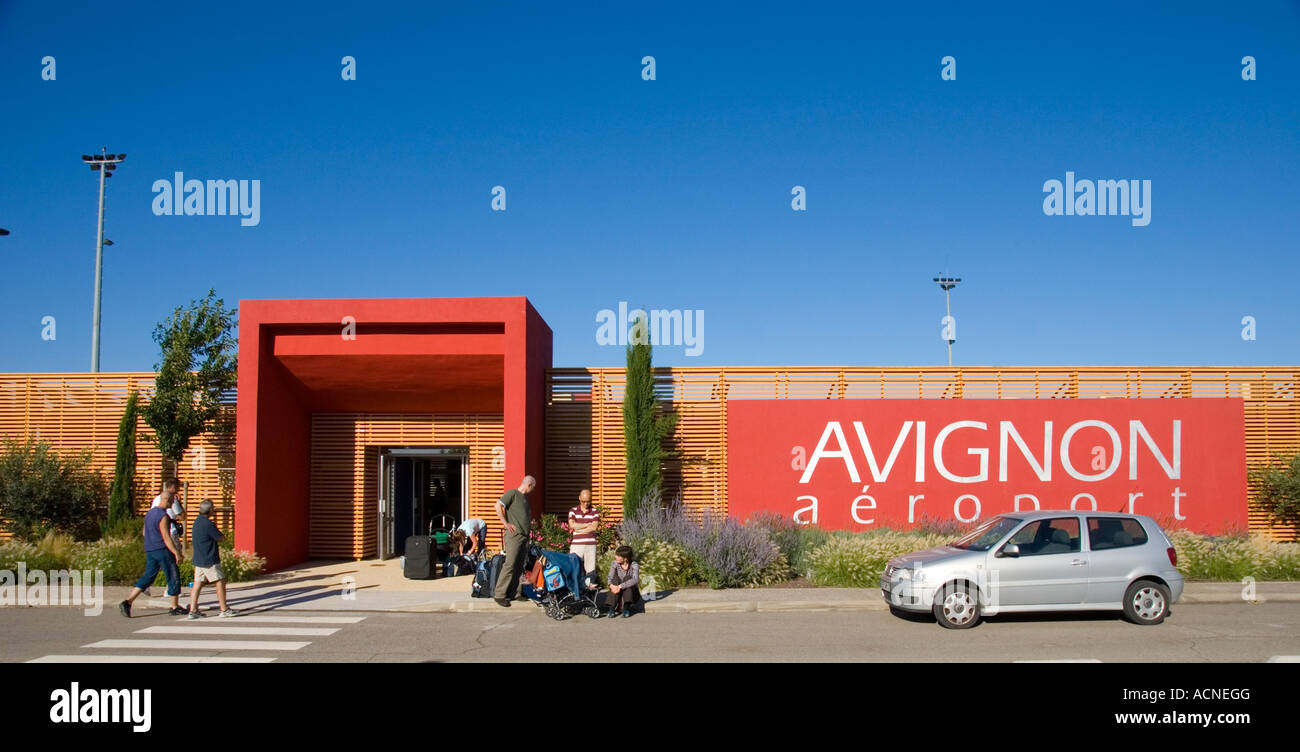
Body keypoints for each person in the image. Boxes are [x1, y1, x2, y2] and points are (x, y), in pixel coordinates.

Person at [119, 481, 186, 617]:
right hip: (162, 549)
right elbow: (166, 537)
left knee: (148, 576)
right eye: (173, 501)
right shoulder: (163, 516)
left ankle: (128, 601)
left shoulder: (149, 514)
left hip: (150, 549)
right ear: (168, 501)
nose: (173, 503)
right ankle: (174, 606)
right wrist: (176, 553)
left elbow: (144, 532)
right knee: (173, 575)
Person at [187, 500, 237, 618]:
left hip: (199, 558)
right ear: (210, 510)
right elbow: (220, 537)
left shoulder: (197, 522)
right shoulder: (208, 524)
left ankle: (193, 610)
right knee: (220, 581)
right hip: (209, 558)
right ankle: (224, 609)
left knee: (198, 583)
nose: (214, 510)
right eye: (213, 508)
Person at [492, 475, 535, 607]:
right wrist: (506, 523)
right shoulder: (513, 494)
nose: (533, 490)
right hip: (514, 535)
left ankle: (516, 593)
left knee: (520, 565)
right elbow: (497, 506)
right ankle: (499, 594)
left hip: (524, 536)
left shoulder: (525, 499)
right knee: (510, 564)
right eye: (533, 487)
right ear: (529, 485)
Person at [567, 490, 601, 573]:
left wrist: (578, 528)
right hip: (576, 544)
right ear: (579, 498)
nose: (586, 503)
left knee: (590, 569)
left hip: (590, 544)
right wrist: (587, 524)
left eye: (588, 501)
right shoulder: (573, 511)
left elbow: (594, 527)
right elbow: (572, 525)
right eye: (583, 501)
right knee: (573, 566)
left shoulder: (594, 511)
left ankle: (589, 584)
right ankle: (574, 584)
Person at [605, 545, 641, 618]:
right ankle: (611, 609)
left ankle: (626, 608)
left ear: (625, 558)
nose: (616, 557)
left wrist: (620, 586)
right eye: (616, 555)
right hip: (616, 591)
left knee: (628, 578)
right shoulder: (614, 563)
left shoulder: (634, 565)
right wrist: (611, 586)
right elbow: (610, 577)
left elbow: (635, 579)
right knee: (615, 579)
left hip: (631, 593)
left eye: (618, 556)